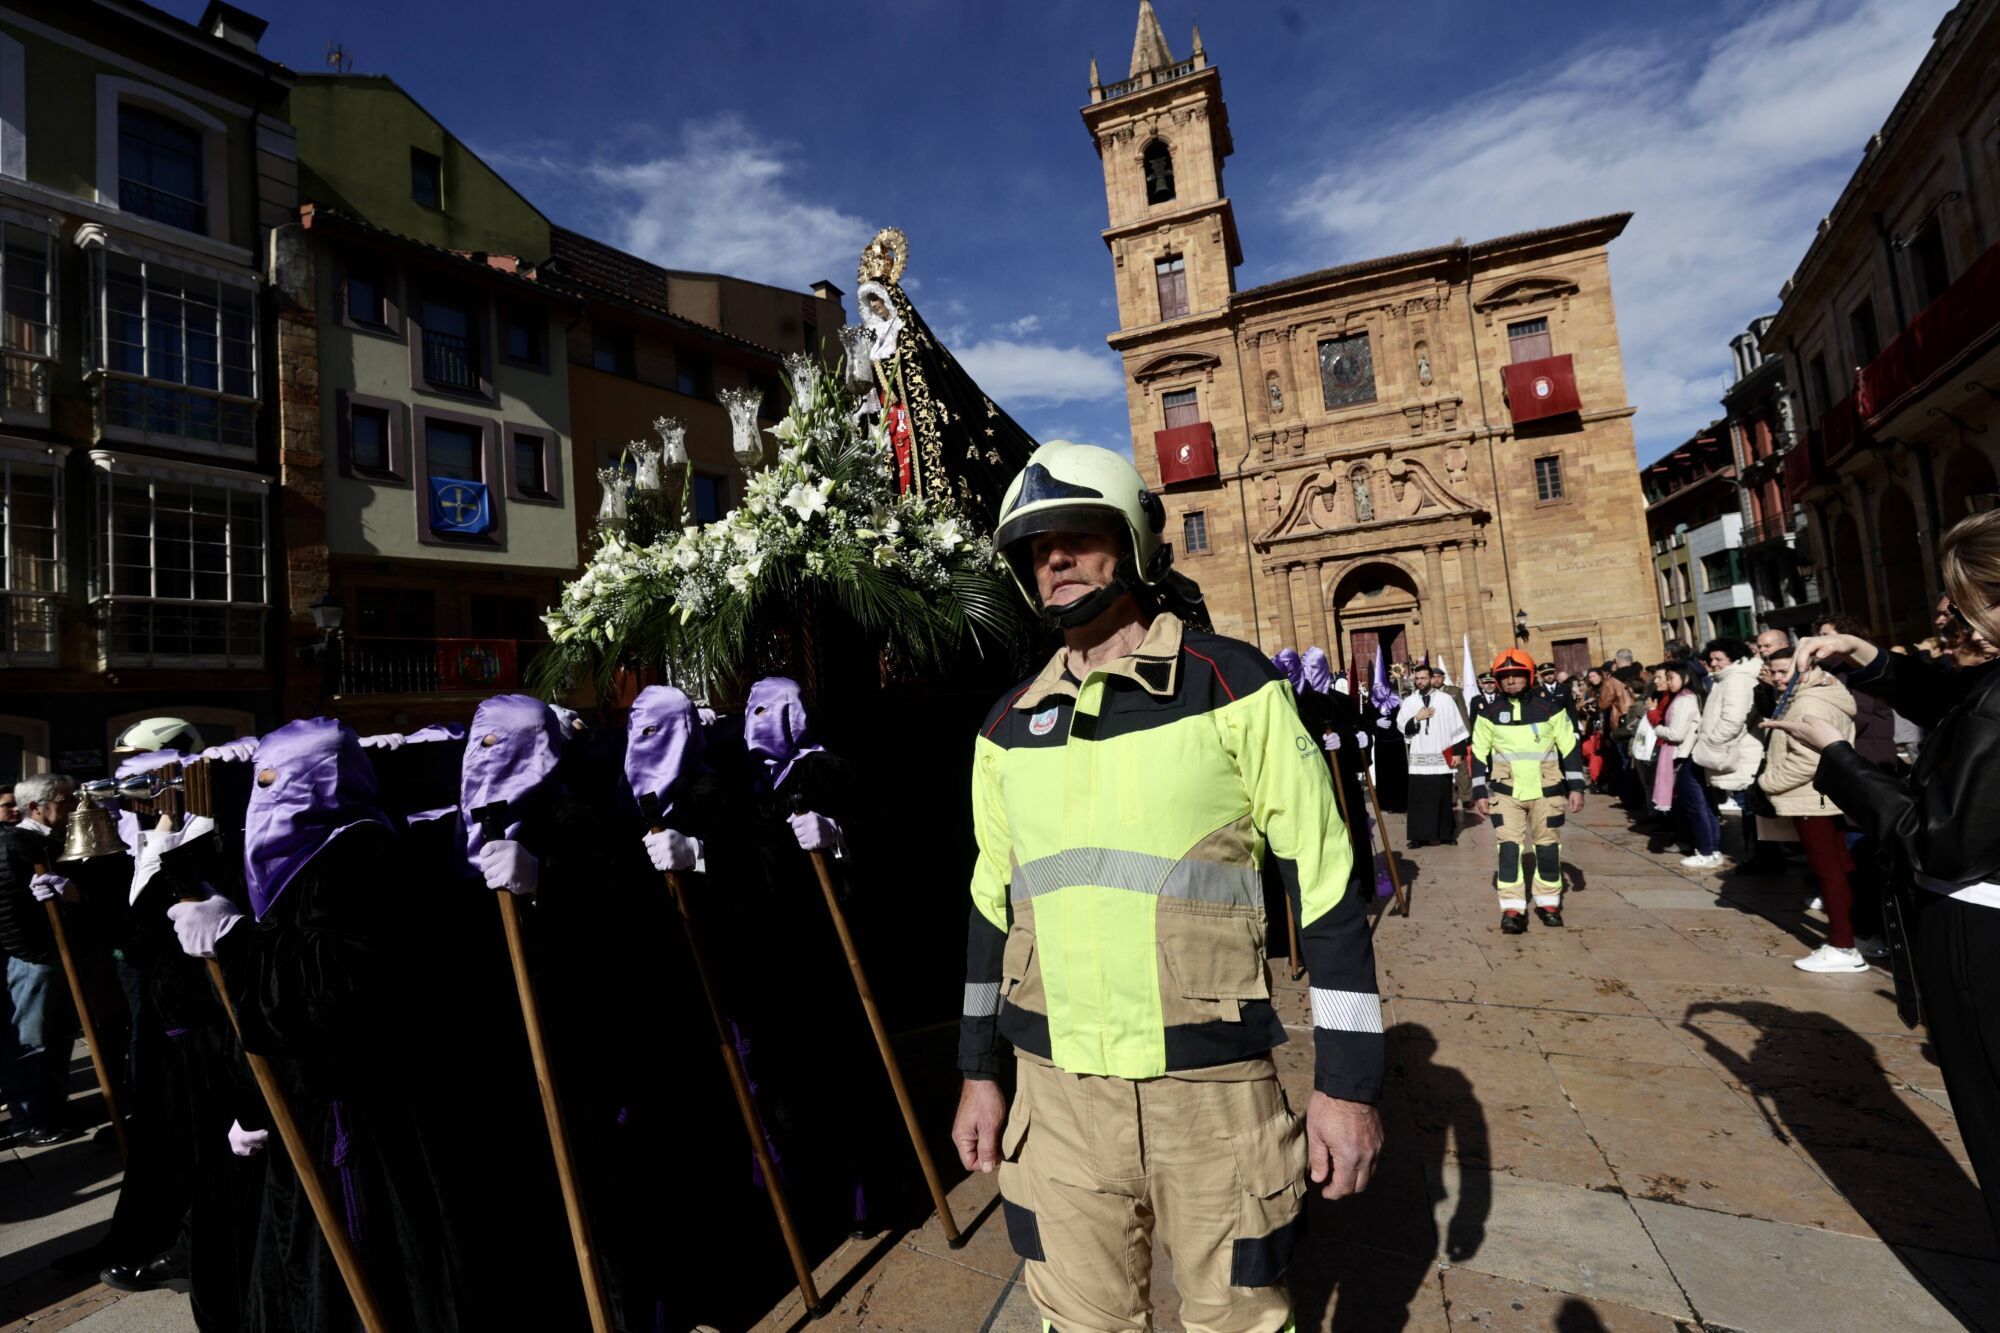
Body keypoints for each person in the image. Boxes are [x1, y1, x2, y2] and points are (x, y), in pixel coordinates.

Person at [954, 441, 1382, 1333]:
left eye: (1075, 534)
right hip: (1055, 1101)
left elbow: (1330, 888)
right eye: (1036, 547)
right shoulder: (1004, 731)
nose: (1055, 558)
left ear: (1134, 544)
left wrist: (1348, 1083)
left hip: (1212, 1100)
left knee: (1239, 1324)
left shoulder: (1236, 687)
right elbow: (990, 911)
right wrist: (976, 1074)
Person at [1777, 511, 2000, 1246]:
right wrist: (1863, 655)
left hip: (1978, 936)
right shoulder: (1987, 683)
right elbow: (1949, 697)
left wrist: (1837, 755)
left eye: (1958, 602)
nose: (1942, 615)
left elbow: (1936, 838)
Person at [1754, 650, 1868, 972]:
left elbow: (1809, 759)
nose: (1777, 678)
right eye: (1773, 671)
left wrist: (1767, 781)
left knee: (1827, 869)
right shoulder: (1819, 693)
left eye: (1783, 670)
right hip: (1823, 793)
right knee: (1839, 866)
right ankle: (1855, 935)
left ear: (1805, 668)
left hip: (1810, 795)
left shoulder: (1808, 702)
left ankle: (1843, 946)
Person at [1471, 649, 1585, 933]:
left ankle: (1548, 903)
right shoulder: (1489, 712)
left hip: (1548, 791)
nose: (1510, 681)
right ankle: (1512, 908)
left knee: (1547, 848)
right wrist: (1479, 791)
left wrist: (1576, 786)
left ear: (1529, 676)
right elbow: (1478, 751)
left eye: (1516, 675)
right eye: (1504, 677)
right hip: (1505, 792)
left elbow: (1568, 746)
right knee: (1508, 850)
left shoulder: (1551, 707)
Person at [0, 773, 79, 1146]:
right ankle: (29, 1120)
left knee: (60, 1034)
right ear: (36, 807)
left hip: (59, 954)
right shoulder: (14, 843)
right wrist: (32, 953)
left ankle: (53, 1110)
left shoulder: (56, 839)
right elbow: (7, 908)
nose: (72, 807)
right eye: (63, 801)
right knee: (32, 1038)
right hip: (35, 958)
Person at [1653, 663, 1721, 869]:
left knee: (1696, 806)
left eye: (1671, 677)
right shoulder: (1694, 697)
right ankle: (1712, 848)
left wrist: (1658, 729)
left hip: (1685, 755)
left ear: (1685, 678)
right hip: (1693, 754)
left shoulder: (1684, 700)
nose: (1668, 681)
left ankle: (1706, 851)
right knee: (1704, 805)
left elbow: (1676, 733)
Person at [1692, 639, 1765, 827]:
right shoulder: (1727, 679)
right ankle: (1755, 852)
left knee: (1749, 807)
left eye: (1719, 659)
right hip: (1733, 750)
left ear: (1734, 658)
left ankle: (1760, 854)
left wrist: (1712, 741)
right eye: (1711, 659)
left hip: (1738, 753)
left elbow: (1733, 721)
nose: (1714, 663)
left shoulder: (1736, 680)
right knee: (1747, 807)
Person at [1397, 664, 1468, 847]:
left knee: (1443, 797)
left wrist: (1459, 752)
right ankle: (1418, 836)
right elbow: (1401, 726)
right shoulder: (1410, 702)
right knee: (1418, 798)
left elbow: (1458, 728)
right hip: (1420, 756)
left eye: (1423, 678)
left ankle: (1446, 834)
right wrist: (1416, 719)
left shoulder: (1445, 700)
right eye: (1417, 679)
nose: (1420, 682)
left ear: (1431, 679)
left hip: (1440, 754)